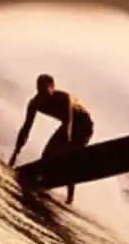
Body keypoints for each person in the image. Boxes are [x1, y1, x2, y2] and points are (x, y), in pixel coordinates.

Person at [8, 73, 95, 204]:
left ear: (53, 87)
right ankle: (42, 183)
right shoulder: (34, 104)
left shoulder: (64, 98)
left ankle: (70, 198)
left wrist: (68, 145)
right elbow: (26, 128)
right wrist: (15, 153)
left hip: (84, 126)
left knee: (69, 158)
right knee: (47, 155)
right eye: (41, 90)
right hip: (68, 125)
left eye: (47, 89)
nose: (45, 94)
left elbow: (69, 122)